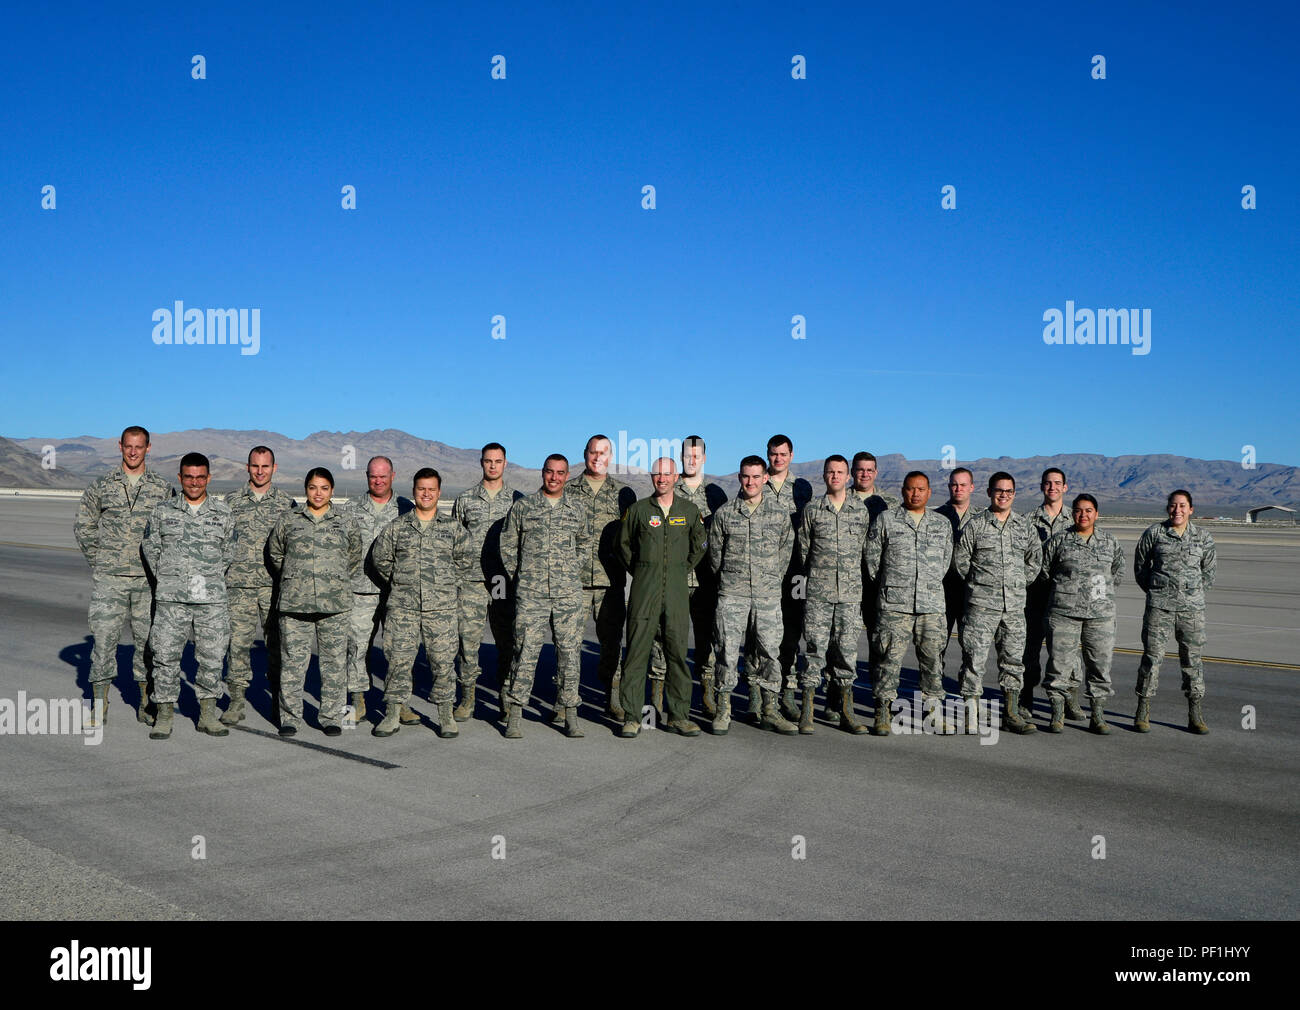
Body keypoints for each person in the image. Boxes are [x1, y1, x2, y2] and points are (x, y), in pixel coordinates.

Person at [73, 425, 176, 726]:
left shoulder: (162, 487)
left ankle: (145, 701)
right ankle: (99, 703)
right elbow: (84, 525)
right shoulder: (102, 485)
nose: (133, 452)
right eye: (128, 446)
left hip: (147, 581)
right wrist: (100, 560)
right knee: (104, 642)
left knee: (148, 644)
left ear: (148, 448)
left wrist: (161, 568)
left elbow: (172, 530)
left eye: (139, 447)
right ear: (120, 446)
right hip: (110, 580)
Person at [140, 453, 237, 739]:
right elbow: (151, 548)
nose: (194, 482)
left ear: (208, 478)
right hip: (172, 599)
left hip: (211, 600)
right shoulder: (162, 511)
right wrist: (172, 579)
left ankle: (207, 715)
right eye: (188, 477)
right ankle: (165, 715)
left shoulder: (224, 513)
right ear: (180, 478)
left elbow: (228, 552)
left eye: (200, 477)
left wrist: (206, 578)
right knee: (166, 656)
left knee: (212, 657)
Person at [267, 468, 363, 736]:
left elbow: (353, 557)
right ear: (305, 489)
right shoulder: (289, 519)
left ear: (332, 490)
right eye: (312, 487)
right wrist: (295, 579)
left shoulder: (345, 521)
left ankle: (331, 716)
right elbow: (276, 554)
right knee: (293, 663)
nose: (317, 493)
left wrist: (333, 580)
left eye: (323, 488)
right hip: (295, 604)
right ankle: (290, 718)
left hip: (334, 604)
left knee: (334, 663)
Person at [500, 455, 590, 739]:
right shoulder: (524, 507)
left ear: (567, 475)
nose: (554, 477)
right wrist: (523, 576)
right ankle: (515, 714)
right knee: (525, 652)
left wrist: (571, 571)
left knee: (569, 655)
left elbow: (585, 544)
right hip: (532, 594)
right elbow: (508, 545)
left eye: (561, 473)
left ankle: (570, 714)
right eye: (550, 472)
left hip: (567, 595)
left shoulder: (576, 509)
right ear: (543, 473)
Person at [617, 458, 708, 737]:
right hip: (645, 590)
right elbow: (623, 546)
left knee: (677, 654)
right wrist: (645, 571)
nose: (662, 478)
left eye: (667, 474)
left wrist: (679, 569)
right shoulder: (638, 510)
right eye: (657, 474)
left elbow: (700, 545)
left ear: (676, 476)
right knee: (636, 653)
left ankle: (678, 716)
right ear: (652, 477)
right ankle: (633, 716)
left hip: (677, 592)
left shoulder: (689, 510)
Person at [710, 456, 799, 736]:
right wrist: (730, 579)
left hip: (767, 594)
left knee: (771, 652)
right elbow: (715, 556)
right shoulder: (725, 514)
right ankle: (723, 709)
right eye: (746, 477)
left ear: (765, 479)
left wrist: (771, 579)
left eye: (756, 477)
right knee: (725, 651)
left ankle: (770, 709)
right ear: (739, 478)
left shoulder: (779, 514)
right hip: (732, 593)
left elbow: (786, 551)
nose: (750, 482)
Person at [371, 469, 460, 738]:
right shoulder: (397, 528)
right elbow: (380, 559)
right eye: (421, 488)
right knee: (398, 661)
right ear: (413, 491)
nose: (426, 493)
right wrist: (400, 583)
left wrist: (443, 586)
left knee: (443, 663)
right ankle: (392, 714)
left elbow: (464, 562)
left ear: (439, 493)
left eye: (431, 489)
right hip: (403, 608)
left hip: (441, 609)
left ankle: (446, 715)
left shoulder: (452, 528)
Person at [864, 471, 954, 735]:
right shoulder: (886, 520)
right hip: (895, 605)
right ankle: (882, 711)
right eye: (911, 489)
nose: (916, 494)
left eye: (921, 489)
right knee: (888, 661)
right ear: (903, 491)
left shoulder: (941, 524)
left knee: (933, 662)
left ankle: (934, 712)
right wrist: (892, 586)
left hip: (931, 606)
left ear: (929, 492)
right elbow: (872, 563)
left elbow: (946, 562)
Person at [953, 472, 1040, 735]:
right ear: (990, 492)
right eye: (999, 490)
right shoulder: (976, 526)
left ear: (1014, 494)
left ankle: (1011, 713)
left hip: (1013, 608)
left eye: (1009, 491)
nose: (1004, 495)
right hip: (980, 606)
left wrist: (1015, 583)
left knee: (1013, 662)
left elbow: (1035, 561)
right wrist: (982, 586)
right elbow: (961, 563)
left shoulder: (1024, 527)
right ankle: (970, 713)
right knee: (974, 660)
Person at [647, 435, 727, 719]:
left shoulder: (716, 494)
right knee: (662, 636)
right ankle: (656, 698)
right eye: (686, 456)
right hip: (673, 579)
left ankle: (705, 695)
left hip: (705, 579)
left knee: (707, 638)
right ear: (680, 459)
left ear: (704, 458)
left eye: (696, 456)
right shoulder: (669, 488)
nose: (691, 460)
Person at [221, 445, 298, 726]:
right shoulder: (230, 502)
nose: (260, 471)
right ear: (247, 467)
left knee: (277, 645)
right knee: (237, 645)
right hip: (238, 586)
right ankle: (237, 700)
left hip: (273, 587)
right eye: (255, 466)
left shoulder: (287, 505)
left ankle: (278, 700)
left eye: (265, 466)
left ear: (274, 468)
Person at [795, 455, 870, 734]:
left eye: (840, 472)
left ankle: (846, 710)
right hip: (818, 594)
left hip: (850, 595)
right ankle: (807, 711)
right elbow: (804, 550)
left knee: (847, 654)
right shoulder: (813, 509)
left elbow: (865, 551)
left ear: (848, 477)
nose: (835, 476)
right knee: (815, 651)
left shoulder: (860, 511)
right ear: (824, 475)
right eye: (831, 472)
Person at [1133, 490, 1217, 734]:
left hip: (1191, 612)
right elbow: (1141, 569)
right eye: (1173, 505)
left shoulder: (1203, 537)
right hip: (1160, 609)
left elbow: (1209, 573)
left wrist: (1192, 595)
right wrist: (1157, 592)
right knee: (1151, 660)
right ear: (1167, 508)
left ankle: (1195, 713)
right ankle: (1142, 710)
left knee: (1192, 661)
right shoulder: (1155, 534)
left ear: (1191, 509)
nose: (1177, 510)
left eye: (1182, 506)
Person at [451, 442, 524, 720]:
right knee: (468, 641)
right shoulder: (466, 499)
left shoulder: (518, 500)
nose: (492, 466)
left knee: (506, 640)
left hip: (502, 579)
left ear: (506, 463)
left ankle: (505, 696)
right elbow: (456, 541)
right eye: (488, 461)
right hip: (472, 581)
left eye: (498, 461)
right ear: (481, 463)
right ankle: (467, 696)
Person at [1041, 494, 1124, 734]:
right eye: (1078, 510)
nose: (1083, 515)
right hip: (1064, 614)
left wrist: (1099, 597)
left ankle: (1097, 715)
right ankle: (1057, 715)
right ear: (1072, 513)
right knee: (1059, 666)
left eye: (1088, 510)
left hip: (1100, 616)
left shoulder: (1109, 542)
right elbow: (1045, 572)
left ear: (1096, 514)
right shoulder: (1060, 541)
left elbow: (1117, 573)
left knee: (1100, 666)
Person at [567, 435, 637, 720]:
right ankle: (566, 699)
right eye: (593, 452)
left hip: (611, 581)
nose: (598, 457)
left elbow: (633, 537)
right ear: (585, 454)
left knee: (611, 643)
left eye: (604, 452)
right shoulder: (568, 490)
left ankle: (613, 695)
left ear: (611, 456)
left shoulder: (624, 494)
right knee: (568, 643)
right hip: (574, 581)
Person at [341, 456, 413, 726]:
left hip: (397, 591)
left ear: (393, 475)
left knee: (399, 650)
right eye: (373, 476)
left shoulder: (407, 508)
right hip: (360, 590)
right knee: (357, 648)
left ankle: (400, 703)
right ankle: (357, 703)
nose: (378, 480)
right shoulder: (351, 508)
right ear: (366, 476)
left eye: (383, 476)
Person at [762, 434, 813, 721]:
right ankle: (760, 692)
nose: (778, 459)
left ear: (791, 455)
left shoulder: (802, 489)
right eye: (773, 454)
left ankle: (788, 692)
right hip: (765, 572)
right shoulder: (758, 483)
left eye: (782, 454)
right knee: (763, 634)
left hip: (795, 572)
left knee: (792, 633)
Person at [1022, 467, 1080, 721]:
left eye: (1057, 483)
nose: (1053, 487)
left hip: (1066, 599)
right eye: (1048, 483)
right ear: (1042, 486)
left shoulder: (1076, 520)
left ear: (1065, 487)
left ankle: (1069, 699)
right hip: (1035, 595)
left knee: (1067, 652)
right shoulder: (1027, 520)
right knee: (1029, 649)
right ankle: (1025, 698)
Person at [937, 467, 976, 672]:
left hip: (971, 591)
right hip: (941, 590)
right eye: (954, 484)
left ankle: (968, 693)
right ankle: (933, 691)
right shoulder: (936, 517)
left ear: (971, 487)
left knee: (970, 646)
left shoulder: (981, 519)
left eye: (962, 485)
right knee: (936, 645)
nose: (958, 489)